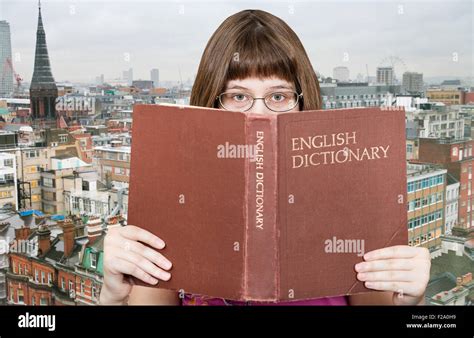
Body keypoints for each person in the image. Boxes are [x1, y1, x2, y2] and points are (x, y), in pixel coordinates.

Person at [100, 9, 431, 306]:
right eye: (238, 95)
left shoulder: (351, 195)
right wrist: (112, 299)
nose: (259, 114)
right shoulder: (174, 198)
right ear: (211, 103)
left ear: (303, 102)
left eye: (278, 95)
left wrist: (407, 301)